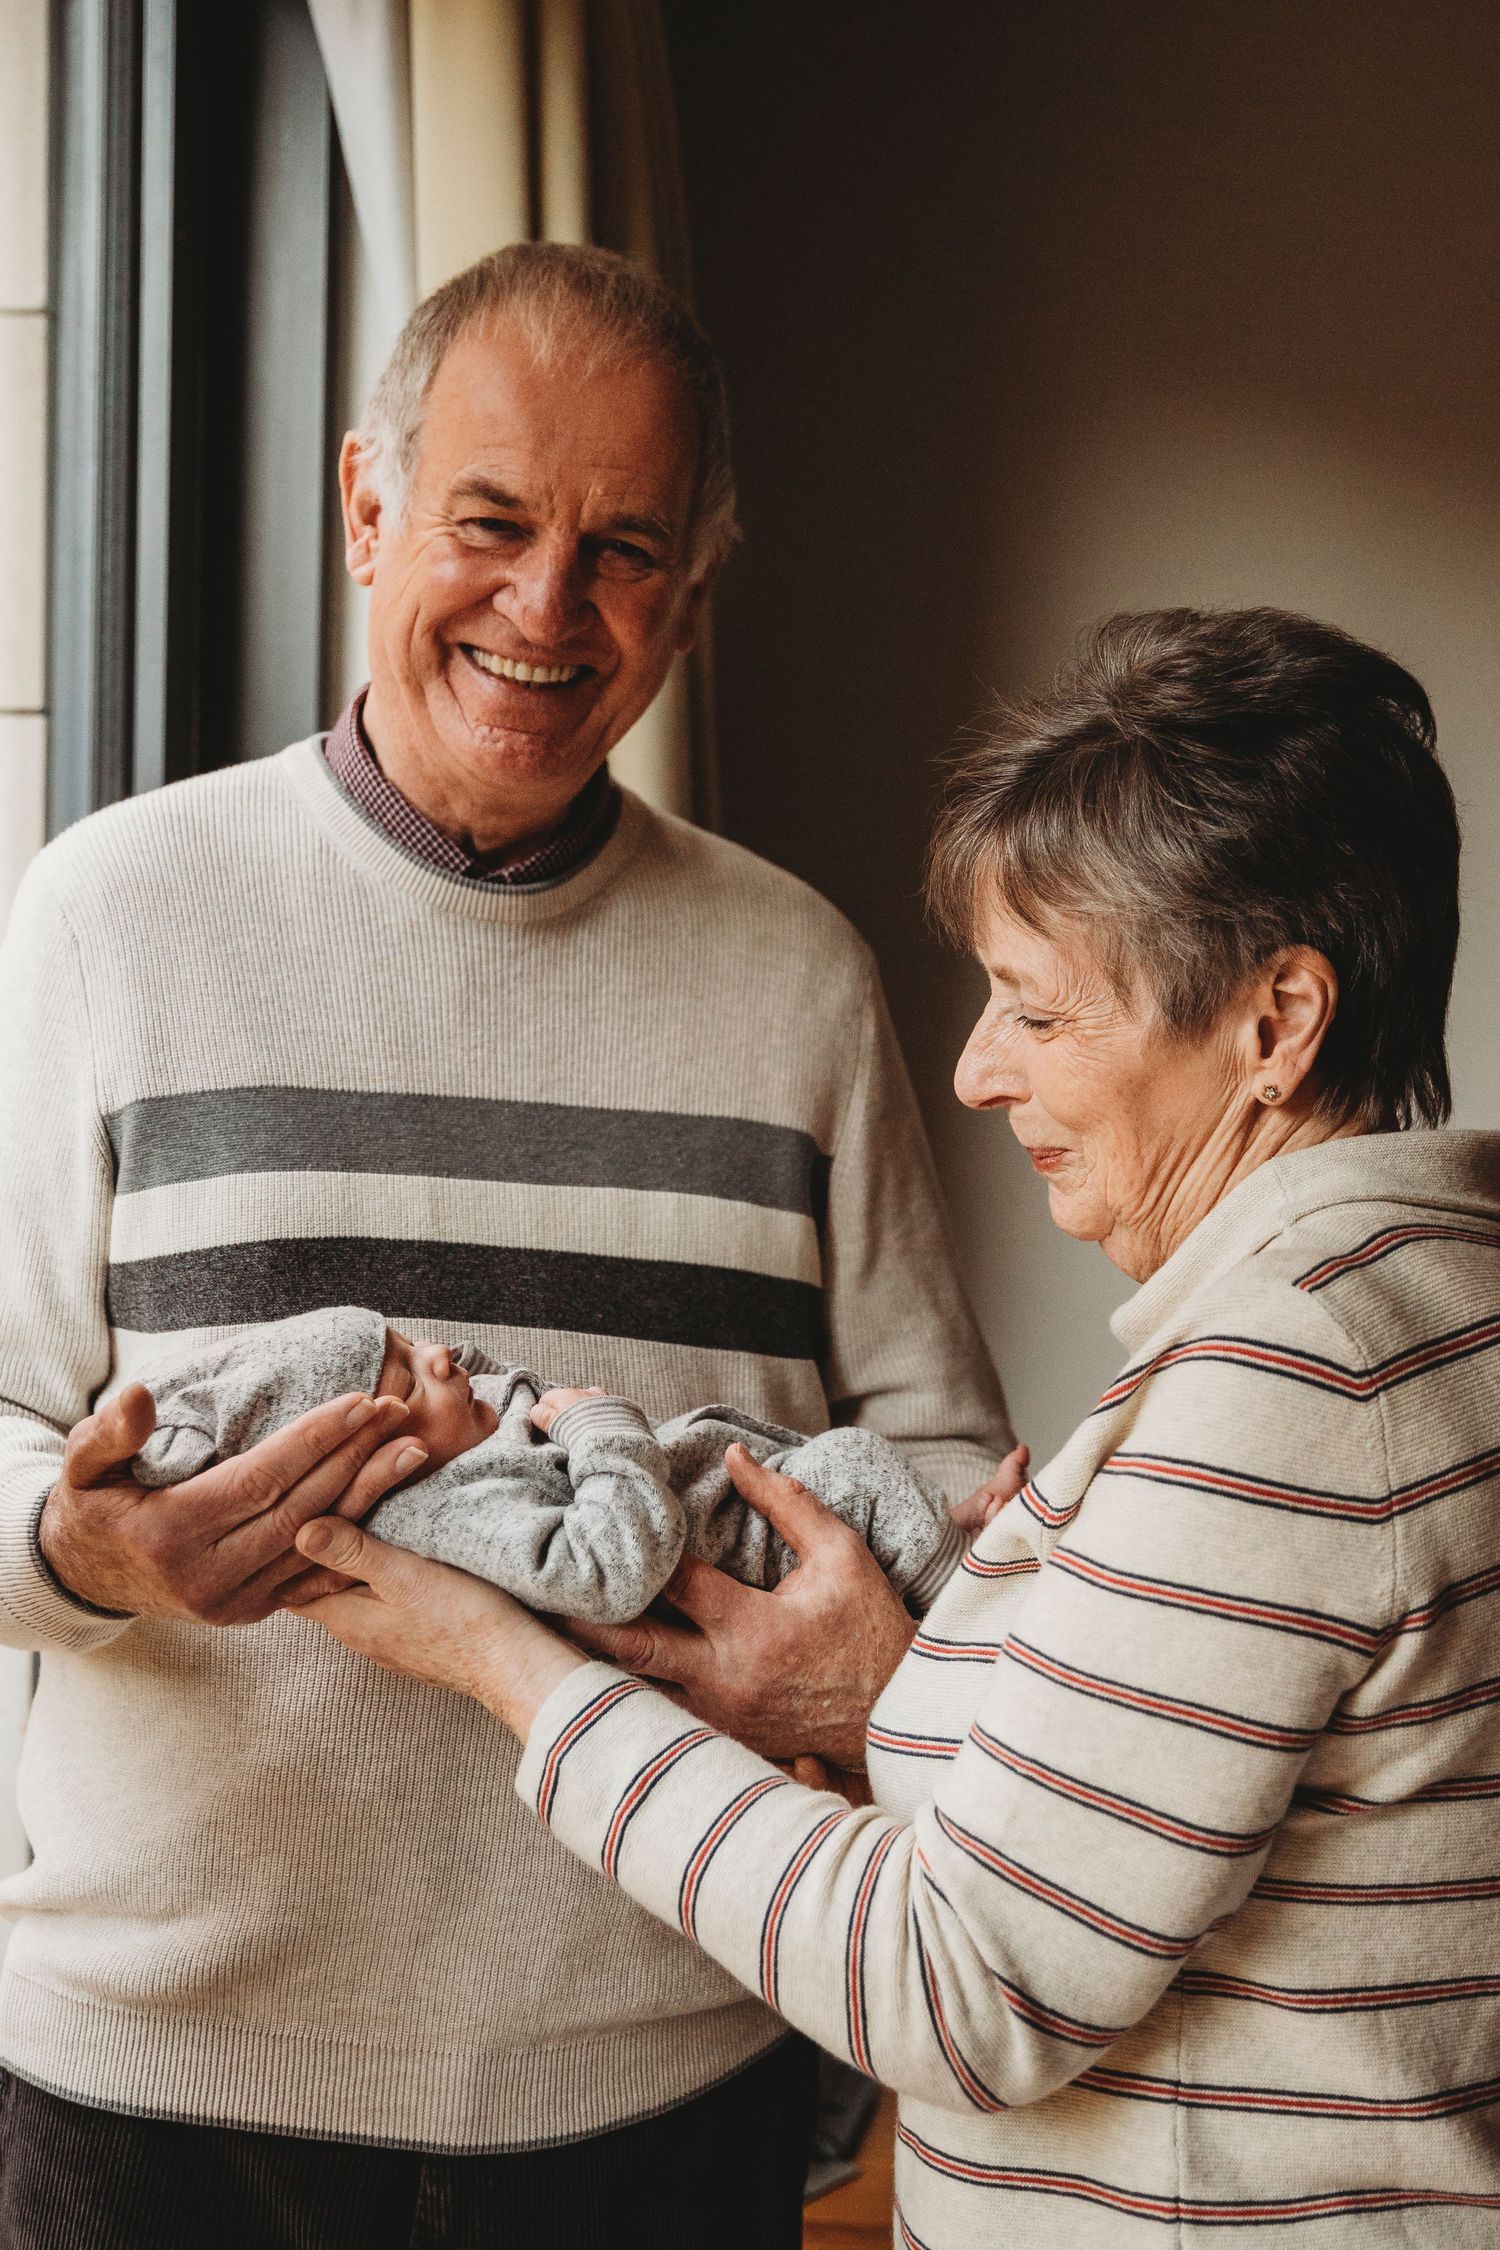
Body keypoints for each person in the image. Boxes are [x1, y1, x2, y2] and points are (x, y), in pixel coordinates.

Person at [0, 244, 1011, 2248]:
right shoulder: (106, 918)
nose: (549, 609)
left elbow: (953, 1487)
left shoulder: (798, 978)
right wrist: (86, 1552)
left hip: (659, 2080)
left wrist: (850, 1670)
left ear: (691, 597)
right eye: (491, 523)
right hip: (151, 2099)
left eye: (625, 549)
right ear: (369, 505)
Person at [291, 607, 1500, 2248]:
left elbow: (963, 1982)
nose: (978, 1068)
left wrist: (513, 1671)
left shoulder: (1299, 1381)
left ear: (1276, 1023)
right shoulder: (1439, 1308)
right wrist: (948, 1680)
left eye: (1039, 1010)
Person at [130, 1303, 1030, 1617]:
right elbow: (605, 1572)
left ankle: (955, 1548)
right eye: (407, 1369)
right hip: (747, 1550)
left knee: (861, 1481)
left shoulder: (466, 1444)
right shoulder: (447, 1510)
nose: (443, 1356)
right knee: (856, 1473)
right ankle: (970, 1616)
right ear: (359, 1454)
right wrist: (605, 1431)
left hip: (767, 1513)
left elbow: (504, 1383)